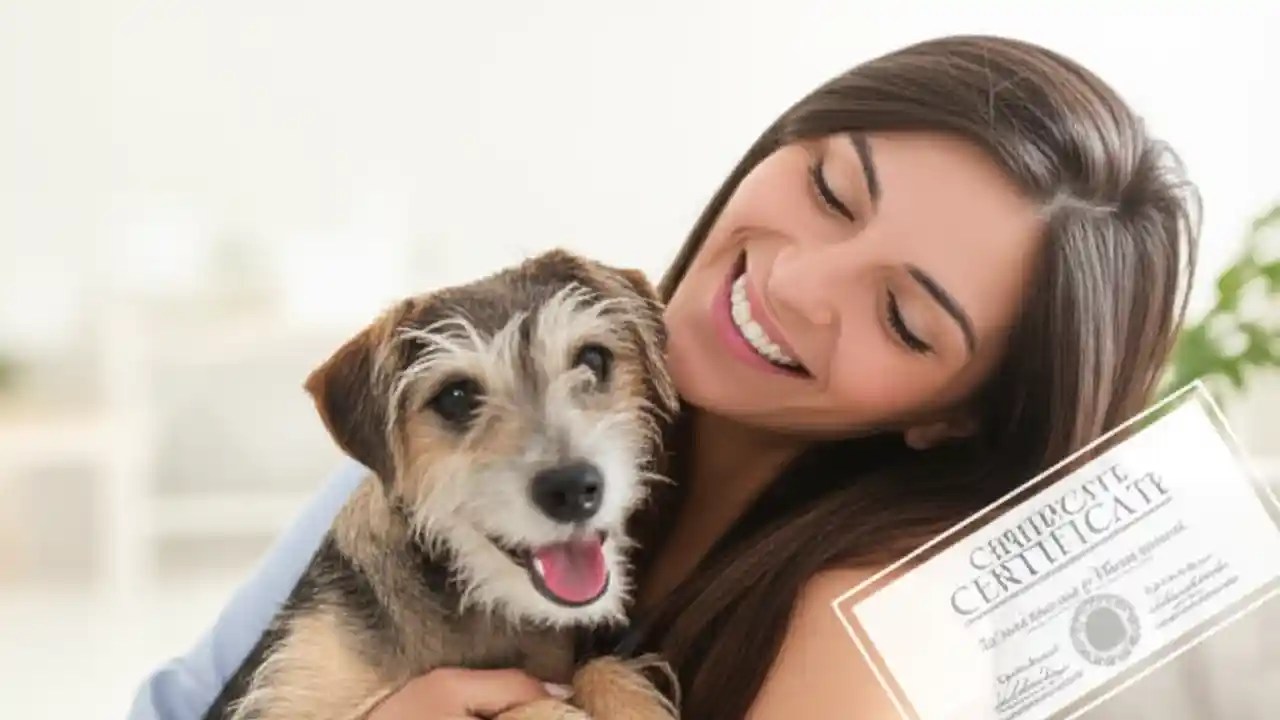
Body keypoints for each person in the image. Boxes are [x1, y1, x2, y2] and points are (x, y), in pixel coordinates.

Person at [128, 34, 1199, 720]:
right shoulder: (433, 471)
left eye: (901, 316)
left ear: (956, 419)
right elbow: (176, 708)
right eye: (830, 188)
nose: (795, 280)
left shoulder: (873, 636)